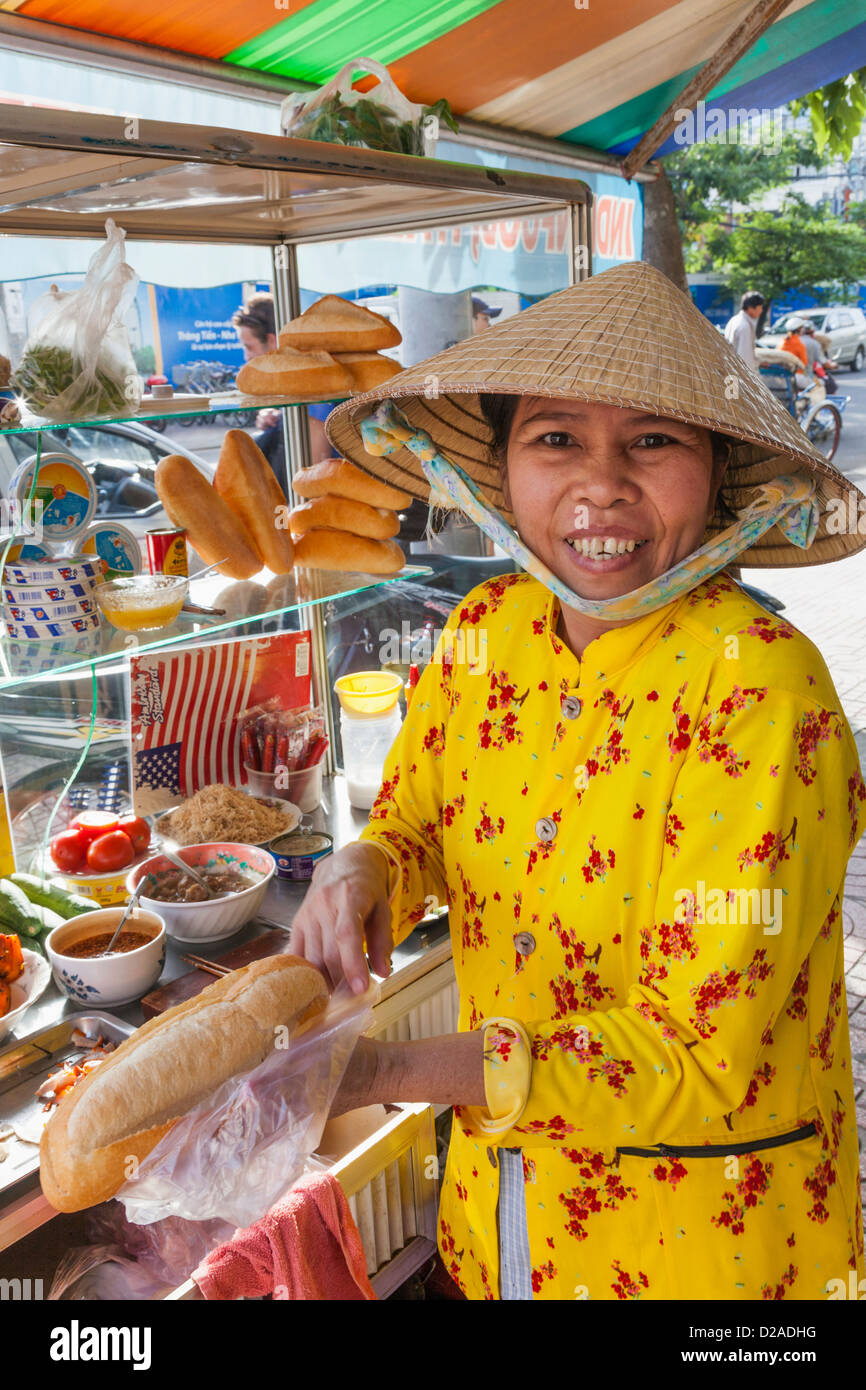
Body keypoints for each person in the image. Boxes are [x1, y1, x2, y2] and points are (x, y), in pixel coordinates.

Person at [291, 261, 866, 1302]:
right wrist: (365, 864)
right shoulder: (483, 631)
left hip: (695, 1251)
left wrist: (376, 1074)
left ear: (720, 469)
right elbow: (418, 817)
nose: (600, 483)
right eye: (554, 438)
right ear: (500, 469)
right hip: (501, 1214)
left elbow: (693, 1056)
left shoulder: (762, 693)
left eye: (652, 439)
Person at [232, 292, 332, 475]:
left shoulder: (306, 381)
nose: (246, 357)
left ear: (271, 340)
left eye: (249, 346)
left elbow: (316, 475)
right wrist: (278, 416)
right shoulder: (295, 379)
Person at [723, 290, 764, 370]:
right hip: (740, 375)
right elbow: (745, 359)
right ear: (751, 308)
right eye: (760, 308)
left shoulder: (734, 320)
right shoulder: (744, 326)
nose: (761, 311)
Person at [800, 321, 839, 393]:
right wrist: (834, 365)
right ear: (812, 332)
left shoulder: (791, 341)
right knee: (831, 385)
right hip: (806, 376)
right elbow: (825, 364)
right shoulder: (813, 344)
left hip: (789, 377)